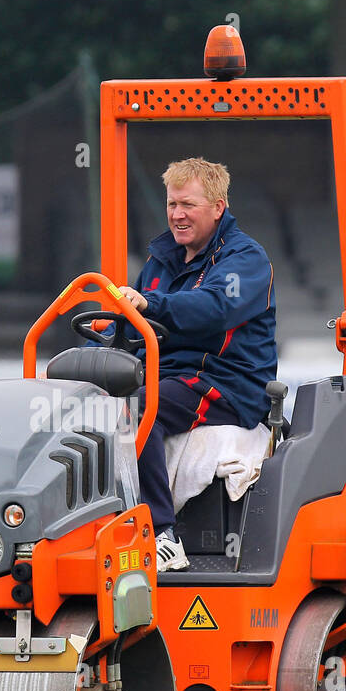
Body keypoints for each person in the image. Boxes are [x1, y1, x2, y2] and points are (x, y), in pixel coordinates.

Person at [115, 157, 277, 571]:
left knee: (141, 407)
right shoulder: (161, 260)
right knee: (82, 400)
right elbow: (136, 326)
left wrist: (151, 303)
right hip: (171, 376)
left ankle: (161, 535)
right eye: (172, 204)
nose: (177, 214)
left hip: (227, 382)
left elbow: (215, 308)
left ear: (218, 207)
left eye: (188, 205)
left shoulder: (245, 259)